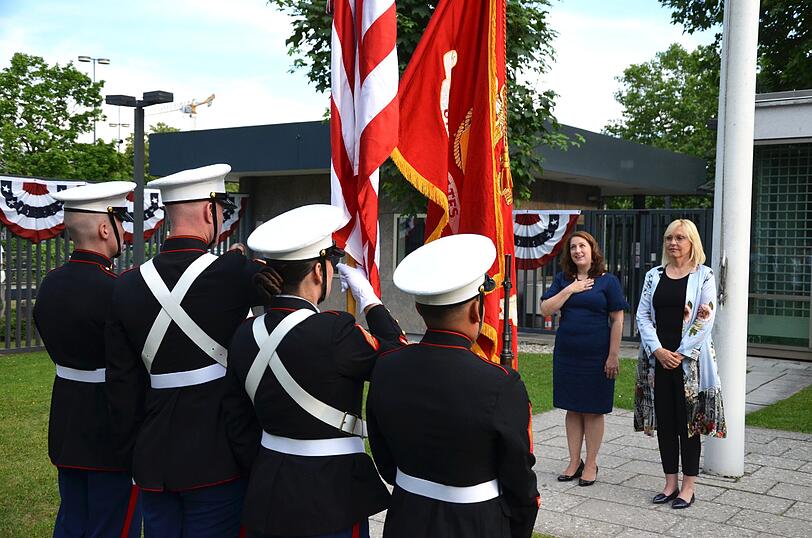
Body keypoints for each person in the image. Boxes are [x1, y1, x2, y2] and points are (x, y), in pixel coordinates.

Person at [105, 164, 270, 537]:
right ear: (209, 211)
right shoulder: (236, 275)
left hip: (153, 454)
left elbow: (121, 383)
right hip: (218, 453)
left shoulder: (127, 286)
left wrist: (135, 451)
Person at [224, 204, 407, 538]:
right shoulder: (335, 331)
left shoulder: (244, 334)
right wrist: (371, 302)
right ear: (319, 273)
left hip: (268, 488)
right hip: (332, 496)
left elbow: (237, 422)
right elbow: (398, 361)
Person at [367, 234, 539, 538]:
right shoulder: (499, 382)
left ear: (420, 309)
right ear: (477, 311)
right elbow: (520, 480)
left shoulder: (387, 366)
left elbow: (383, 455)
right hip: (475, 523)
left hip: (407, 515)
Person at [34, 181, 141, 537]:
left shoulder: (50, 284)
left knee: (72, 520)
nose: (123, 230)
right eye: (121, 221)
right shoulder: (116, 289)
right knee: (111, 524)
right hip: (110, 427)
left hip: (67, 421)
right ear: (104, 227)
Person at [635, 218, 726, 509]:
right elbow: (643, 316)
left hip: (690, 364)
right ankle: (669, 483)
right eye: (669, 238)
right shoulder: (654, 275)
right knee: (665, 421)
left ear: (692, 242)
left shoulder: (705, 275)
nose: (673, 243)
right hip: (658, 362)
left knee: (689, 424)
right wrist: (659, 350)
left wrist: (680, 353)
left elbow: (705, 316)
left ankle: (688, 487)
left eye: (680, 238)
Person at [539, 231, 628, 487]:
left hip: (597, 355)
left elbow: (618, 319)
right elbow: (546, 308)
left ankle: (591, 463)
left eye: (582, 246)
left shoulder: (608, 282)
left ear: (592, 250)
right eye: (573, 247)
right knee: (572, 407)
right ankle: (573, 461)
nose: (578, 251)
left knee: (592, 409)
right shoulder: (562, 280)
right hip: (568, 354)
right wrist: (571, 289)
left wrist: (613, 355)